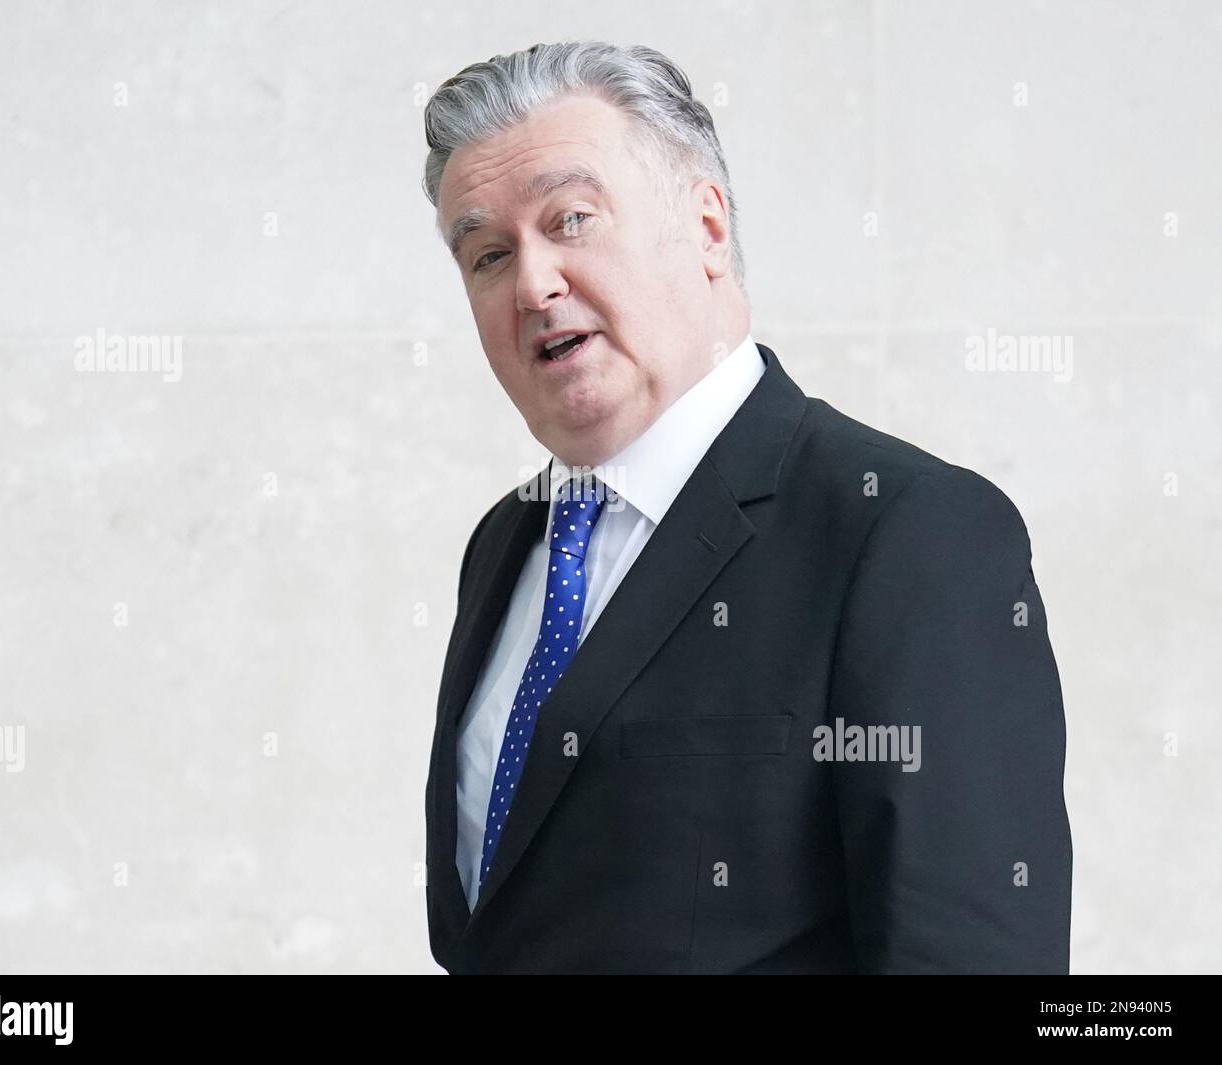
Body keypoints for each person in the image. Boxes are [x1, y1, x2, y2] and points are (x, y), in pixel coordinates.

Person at [420, 41, 1072, 973]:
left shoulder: (908, 533)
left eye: (571, 219)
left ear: (708, 228)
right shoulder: (507, 544)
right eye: (487, 254)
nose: (531, 283)